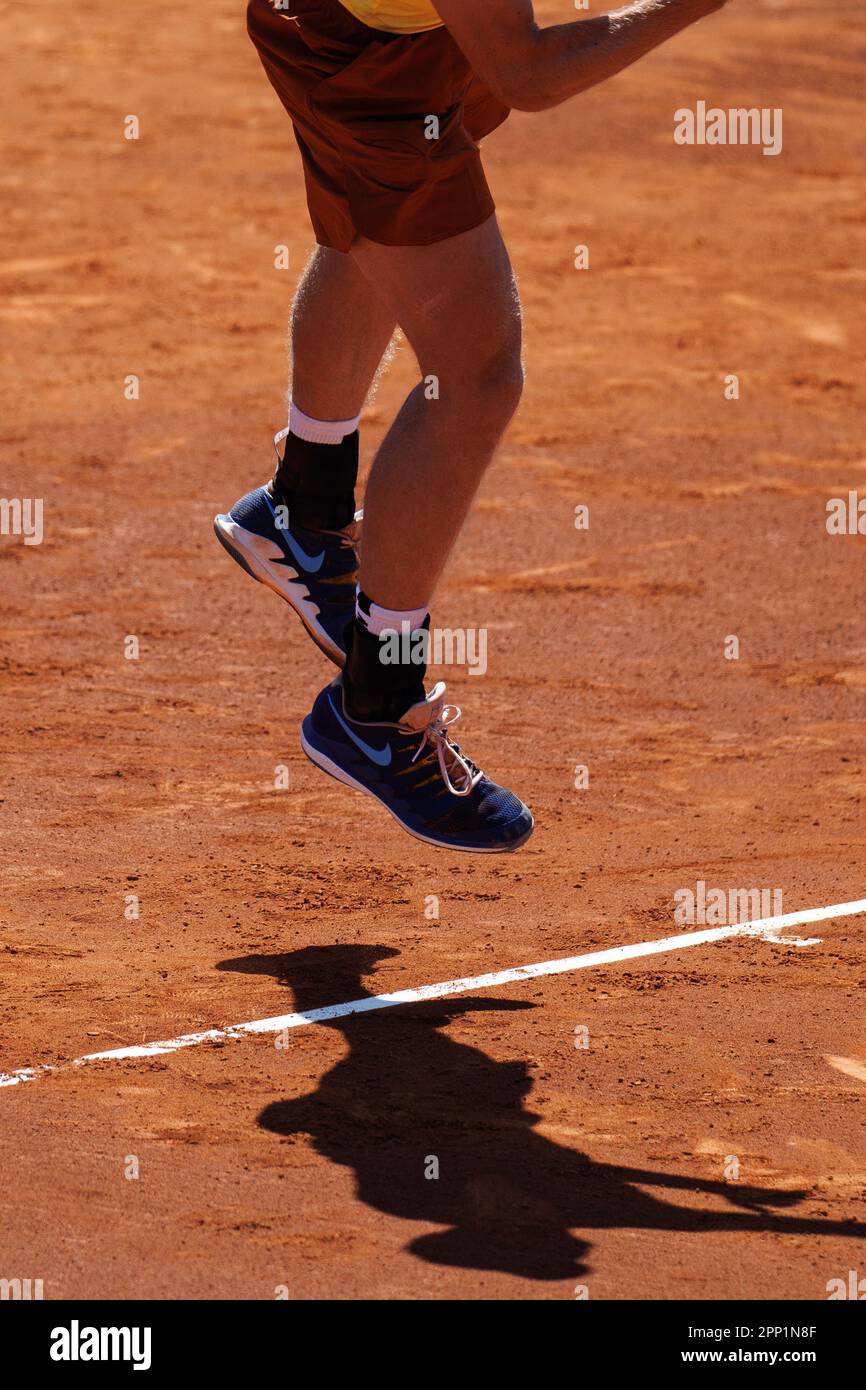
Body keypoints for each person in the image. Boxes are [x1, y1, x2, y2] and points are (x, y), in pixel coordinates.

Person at [215, 0, 728, 852]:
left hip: (378, 33)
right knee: (478, 375)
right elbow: (527, 73)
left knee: (389, 227)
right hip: (366, 59)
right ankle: (375, 708)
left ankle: (303, 509)